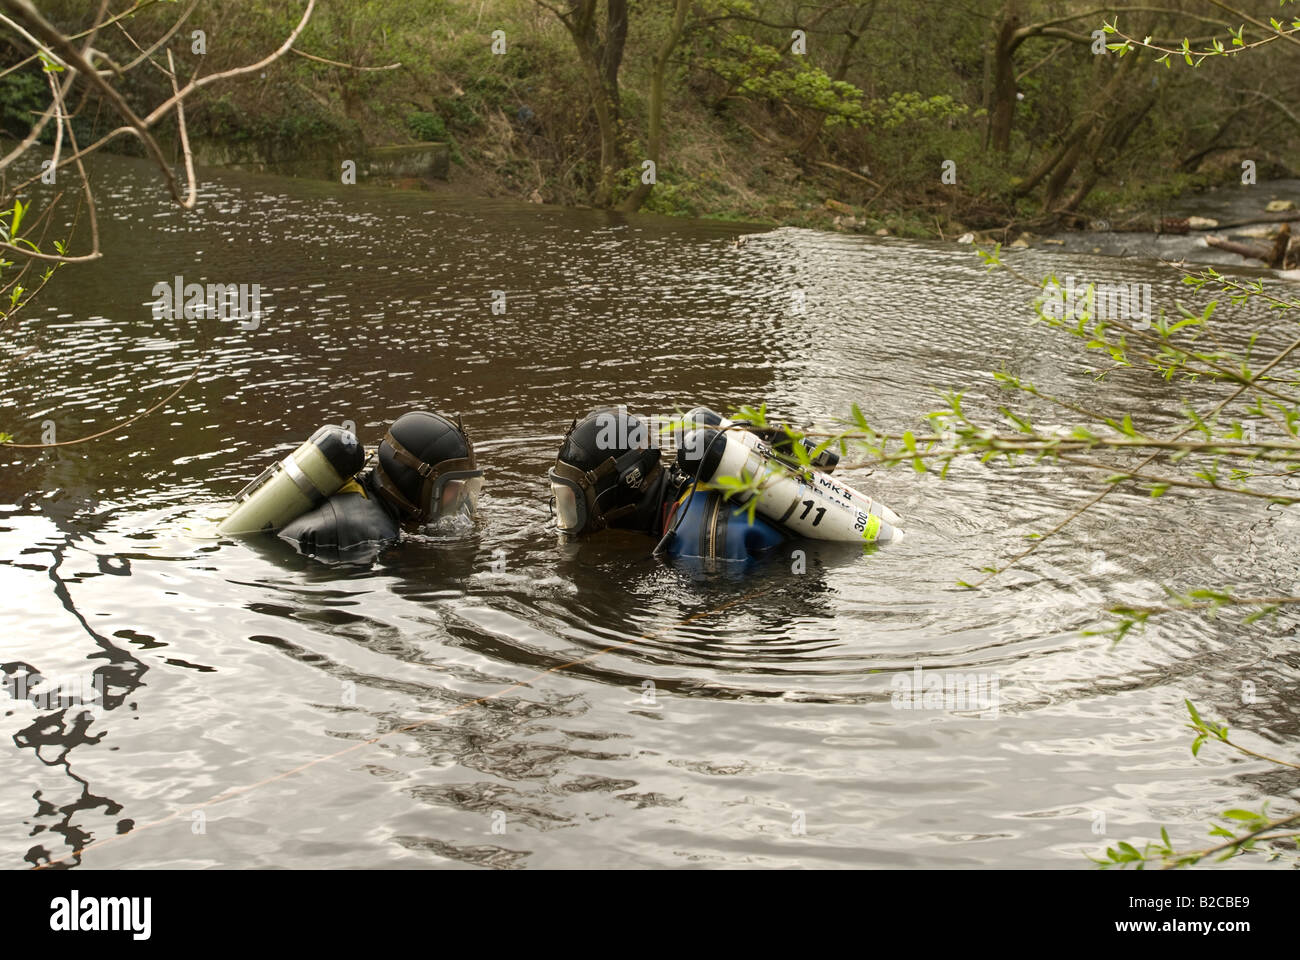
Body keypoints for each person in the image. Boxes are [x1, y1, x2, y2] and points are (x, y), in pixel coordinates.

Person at [221, 411, 481, 562]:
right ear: (415, 482)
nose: (462, 495)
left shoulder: (365, 492)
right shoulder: (369, 534)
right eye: (453, 485)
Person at [547, 406, 789, 565]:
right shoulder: (682, 485)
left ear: (627, 482)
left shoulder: (696, 543)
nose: (564, 517)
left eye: (573, 500)